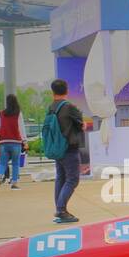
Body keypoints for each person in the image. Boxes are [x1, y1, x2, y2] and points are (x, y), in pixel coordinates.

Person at [48, 79, 84, 224]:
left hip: (58, 149)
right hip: (70, 148)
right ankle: (61, 210)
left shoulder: (51, 107)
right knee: (72, 179)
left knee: (61, 178)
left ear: (53, 91)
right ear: (66, 90)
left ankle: (60, 208)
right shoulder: (69, 107)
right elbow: (81, 124)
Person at [0, 94, 25, 191]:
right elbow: (21, 128)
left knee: (2, 163)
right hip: (16, 142)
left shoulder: (1, 114)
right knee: (15, 163)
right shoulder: (18, 113)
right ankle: (14, 184)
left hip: (3, 142)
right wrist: (25, 141)